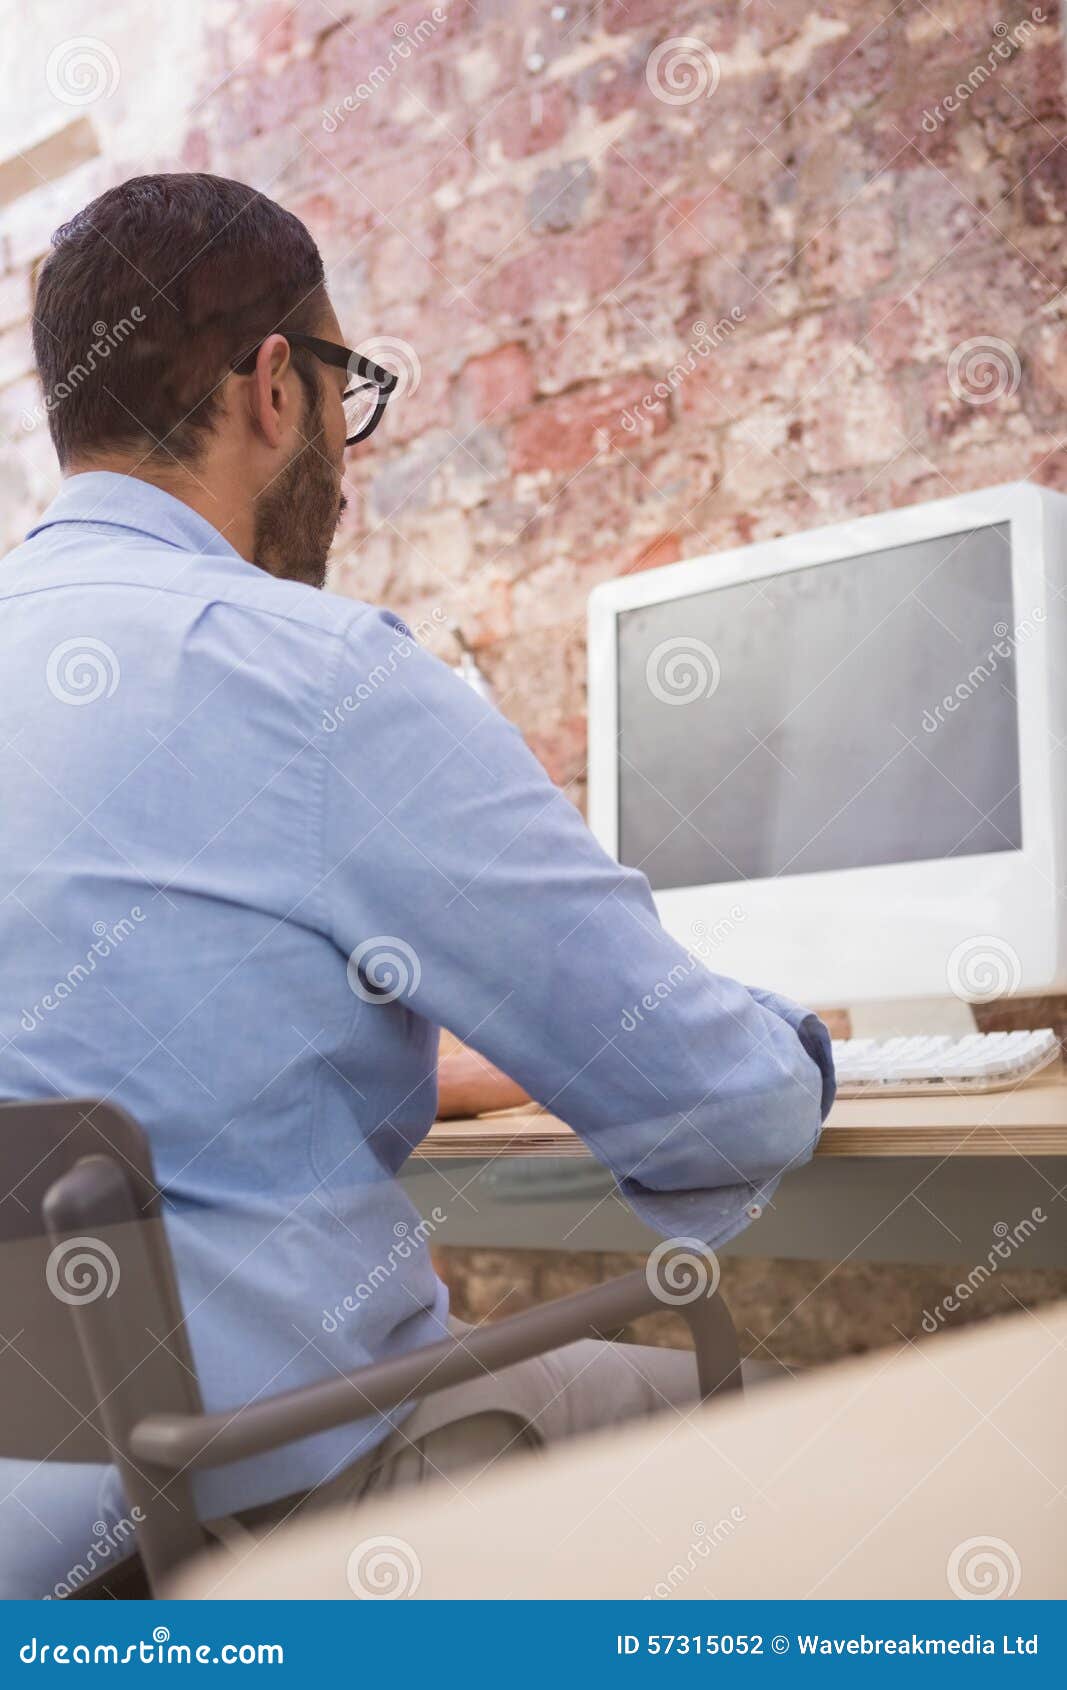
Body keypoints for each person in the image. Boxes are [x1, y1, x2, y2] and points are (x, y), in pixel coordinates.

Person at [0, 173, 834, 1597]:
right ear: (277, 387)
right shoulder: (309, 673)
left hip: (34, 1546)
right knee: (791, 1427)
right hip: (242, 1516)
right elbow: (720, 1109)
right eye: (349, 389)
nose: (349, 444)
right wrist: (803, 1043)